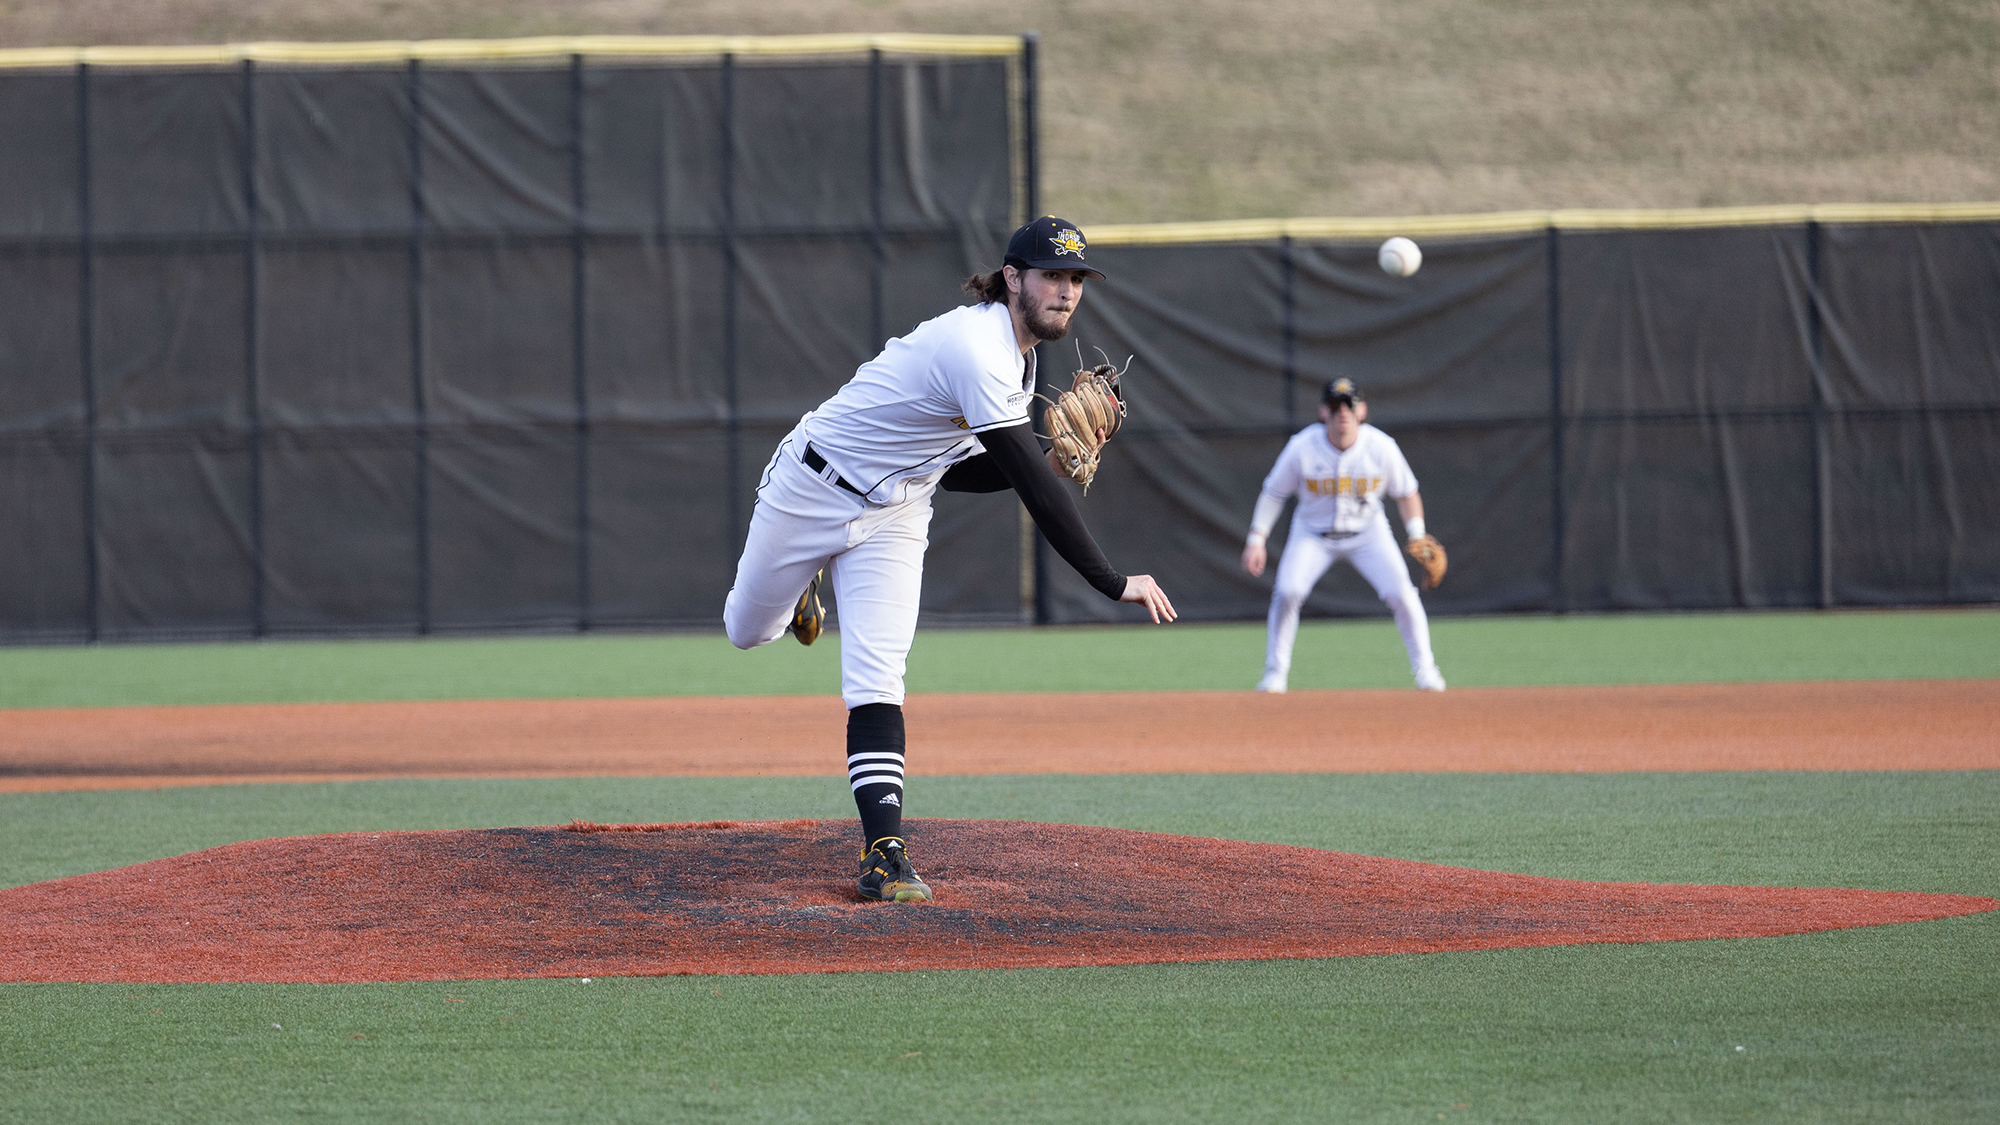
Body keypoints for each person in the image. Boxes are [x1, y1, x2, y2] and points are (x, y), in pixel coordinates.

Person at [723, 216, 1178, 904]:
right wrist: (1111, 581)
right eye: (1052, 275)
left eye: (1076, 279)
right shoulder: (975, 345)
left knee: (878, 675)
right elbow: (1030, 487)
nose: (1067, 292)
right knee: (747, 630)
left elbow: (966, 471)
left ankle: (884, 849)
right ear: (1013, 277)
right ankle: (803, 589)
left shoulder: (1019, 363)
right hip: (812, 488)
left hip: (896, 510)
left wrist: (1047, 459)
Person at [1241, 377, 1444, 693]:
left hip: (1368, 533)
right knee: (1288, 592)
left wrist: (1417, 532)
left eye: (1349, 405)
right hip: (1312, 534)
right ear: (1323, 411)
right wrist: (1257, 539)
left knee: (1401, 594)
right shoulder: (1302, 447)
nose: (1342, 413)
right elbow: (1274, 493)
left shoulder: (1381, 447)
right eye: (1335, 406)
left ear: (1362, 410)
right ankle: (1275, 673)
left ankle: (1427, 671)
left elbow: (1407, 493)